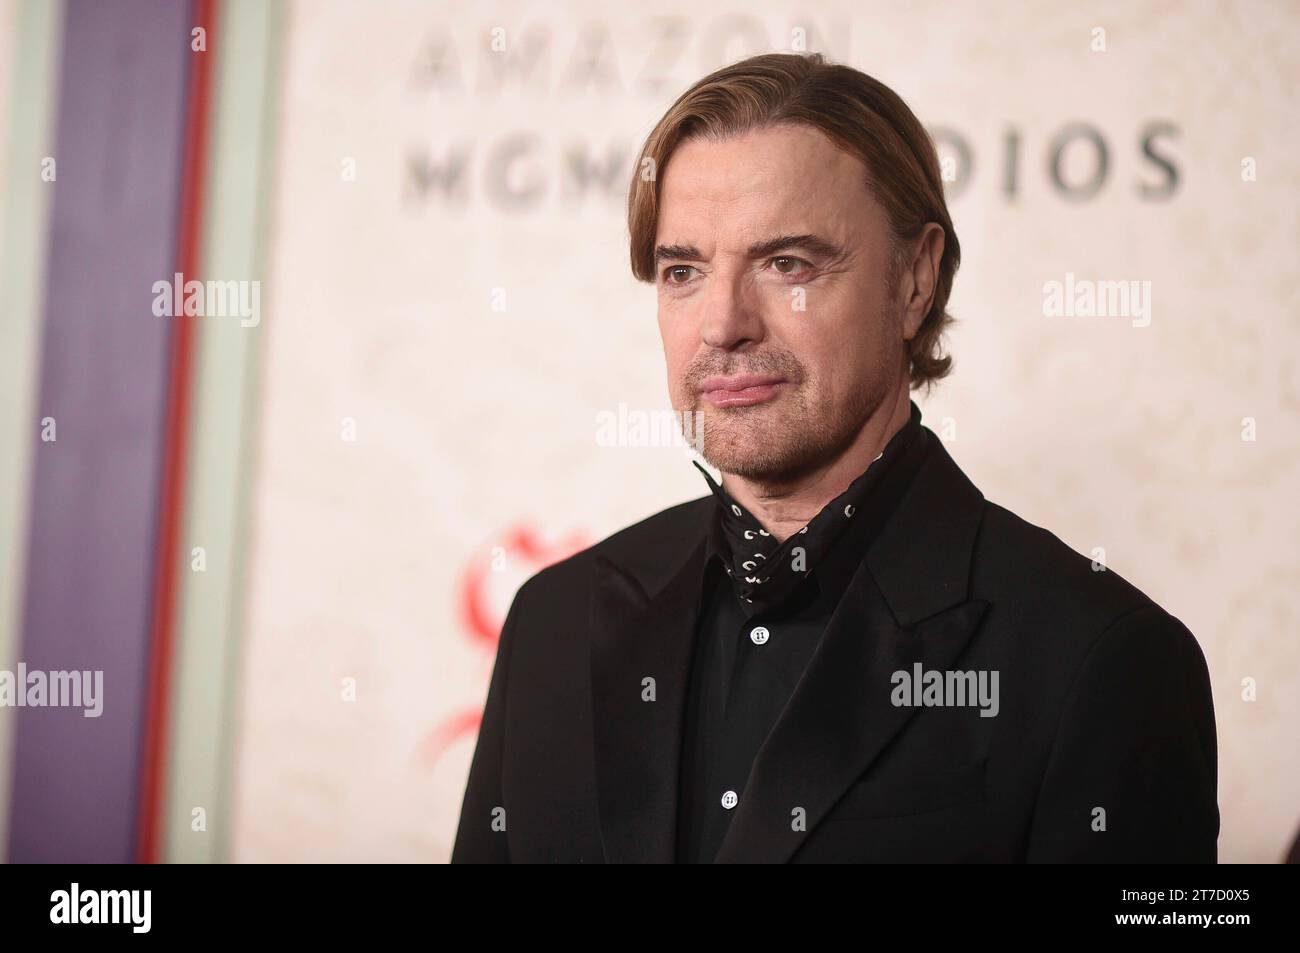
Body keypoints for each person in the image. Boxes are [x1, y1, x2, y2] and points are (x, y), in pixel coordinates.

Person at [451, 52, 1218, 863]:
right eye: (684, 270)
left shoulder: (1100, 659)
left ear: (915, 281)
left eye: (788, 264)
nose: (722, 324)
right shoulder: (554, 624)